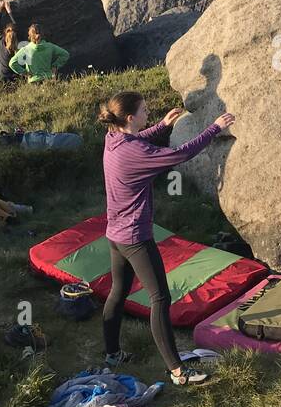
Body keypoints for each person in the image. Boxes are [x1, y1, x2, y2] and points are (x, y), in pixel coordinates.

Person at [98, 93, 235, 385]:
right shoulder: (134, 153)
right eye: (144, 110)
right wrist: (214, 128)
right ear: (131, 118)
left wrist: (161, 126)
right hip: (135, 237)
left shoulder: (112, 139)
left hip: (114, 234)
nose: (148, 112)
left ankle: (111, 354)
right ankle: (177, 370)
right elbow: (180, 154)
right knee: (160, 297)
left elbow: (137, 141)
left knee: (118, 292)